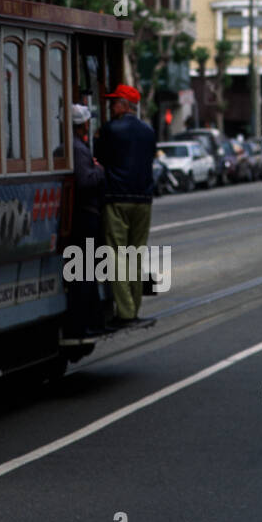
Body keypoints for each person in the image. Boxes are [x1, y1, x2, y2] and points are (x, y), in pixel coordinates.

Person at [94, 83, 156, 325]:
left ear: (124, 105)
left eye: (113, 102)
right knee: (136, 254)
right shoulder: (149, 131)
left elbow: (99, 159)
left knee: (117, 254)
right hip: (143, 200)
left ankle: (126, 312)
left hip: (117, 199)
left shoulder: (109, 130)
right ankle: (136, 307)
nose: (110, 107)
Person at [65, 104, 106, 336]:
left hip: (80, 216)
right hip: (85, 216)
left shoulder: (70, 146)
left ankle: (93, 321)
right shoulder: (78, 148)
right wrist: (99, 170)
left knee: (84, 272)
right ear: (84, 125)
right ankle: (84, 325)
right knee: (84, 273)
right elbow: (85, 181)